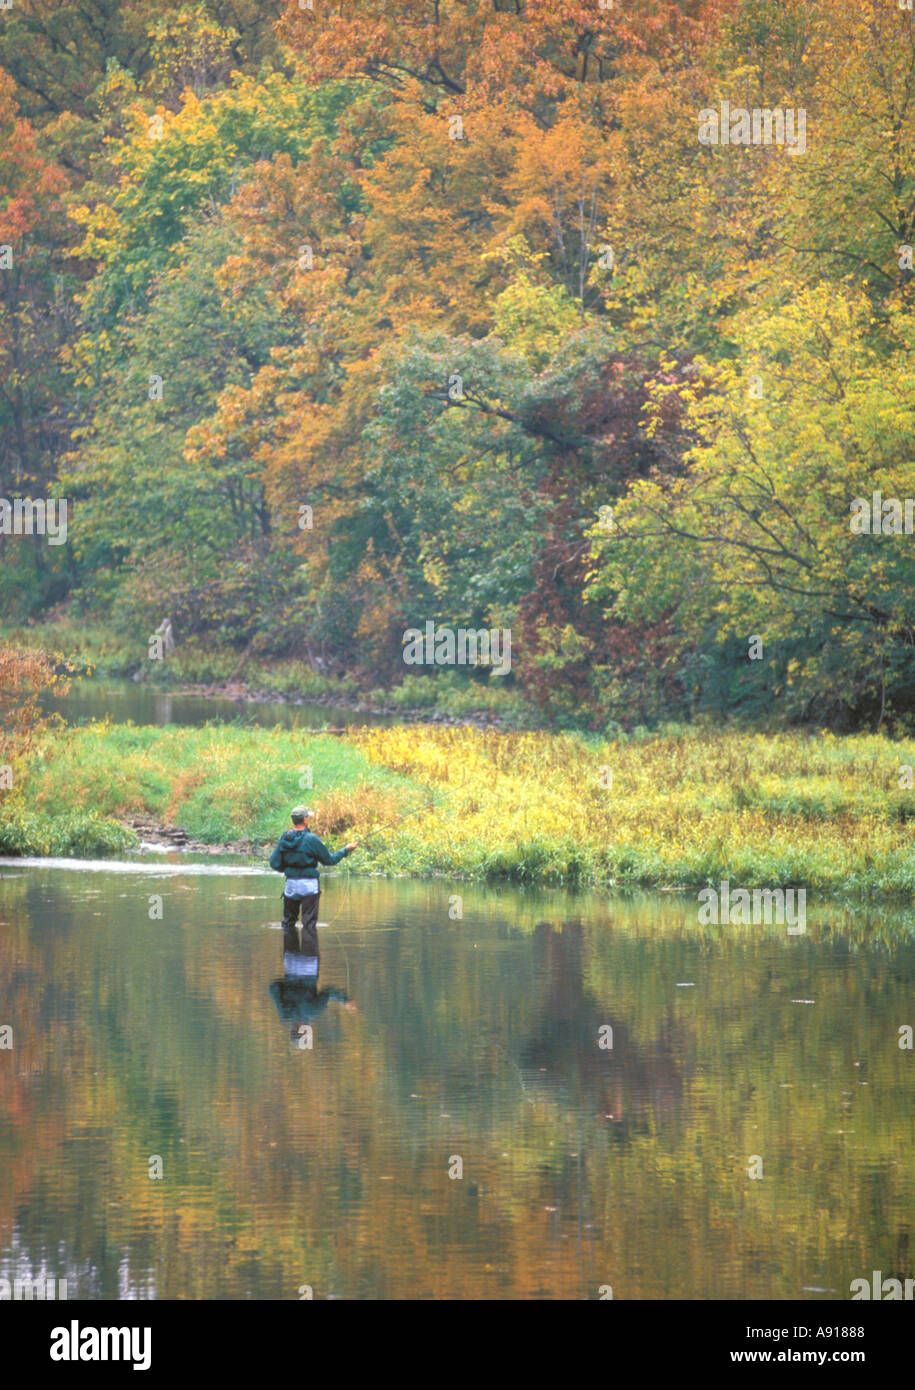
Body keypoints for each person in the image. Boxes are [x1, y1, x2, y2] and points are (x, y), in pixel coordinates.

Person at [268, 804, 357, 956]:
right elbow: (329, 860)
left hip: (291, 885)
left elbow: (274, 863)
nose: (309, 818)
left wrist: (290, 871)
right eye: (308, 816)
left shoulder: (285, 837)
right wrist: (346, 850)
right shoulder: (312, 839)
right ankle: (307, 960)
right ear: (305, 820)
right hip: (309, 886)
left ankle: (291, 957)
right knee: (308, 925)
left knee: (288, 923)